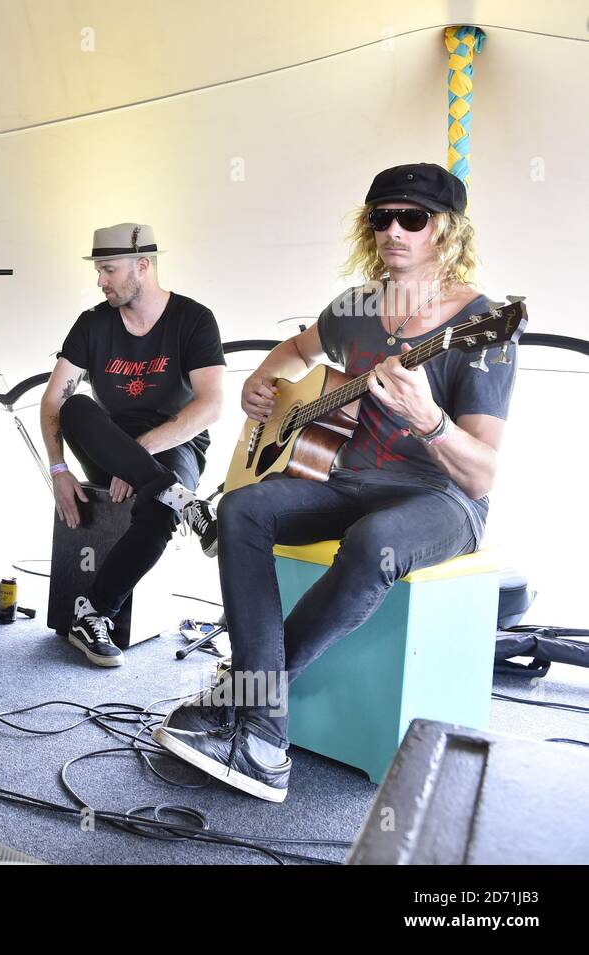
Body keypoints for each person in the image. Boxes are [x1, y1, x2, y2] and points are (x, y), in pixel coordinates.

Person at [155, 163, 516, 802]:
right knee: (241, 509)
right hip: (349, 480)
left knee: (374, 540)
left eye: (414, 218)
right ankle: (265, 730)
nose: (395, 231)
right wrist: (260, 382)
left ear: (448, 231)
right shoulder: (355, 308)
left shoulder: (482, 328)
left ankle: (243, 706)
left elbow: (482, 474)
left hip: (441, 500)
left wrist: (427, 419)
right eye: (382, 217)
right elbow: (296, 352)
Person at [40, 223, 224, 667]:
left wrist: (137, 456)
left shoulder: (193, 319)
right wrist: (59, 471)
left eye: (107, 270)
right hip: (107, 444)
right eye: (99, 271)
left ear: (143, 266)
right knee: (76, 407)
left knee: (157, 509)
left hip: (175, 441)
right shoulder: (92, 324)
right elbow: (52, 400)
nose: (99, 281)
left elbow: (211, 405)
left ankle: (94, 613)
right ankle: (185, 502)